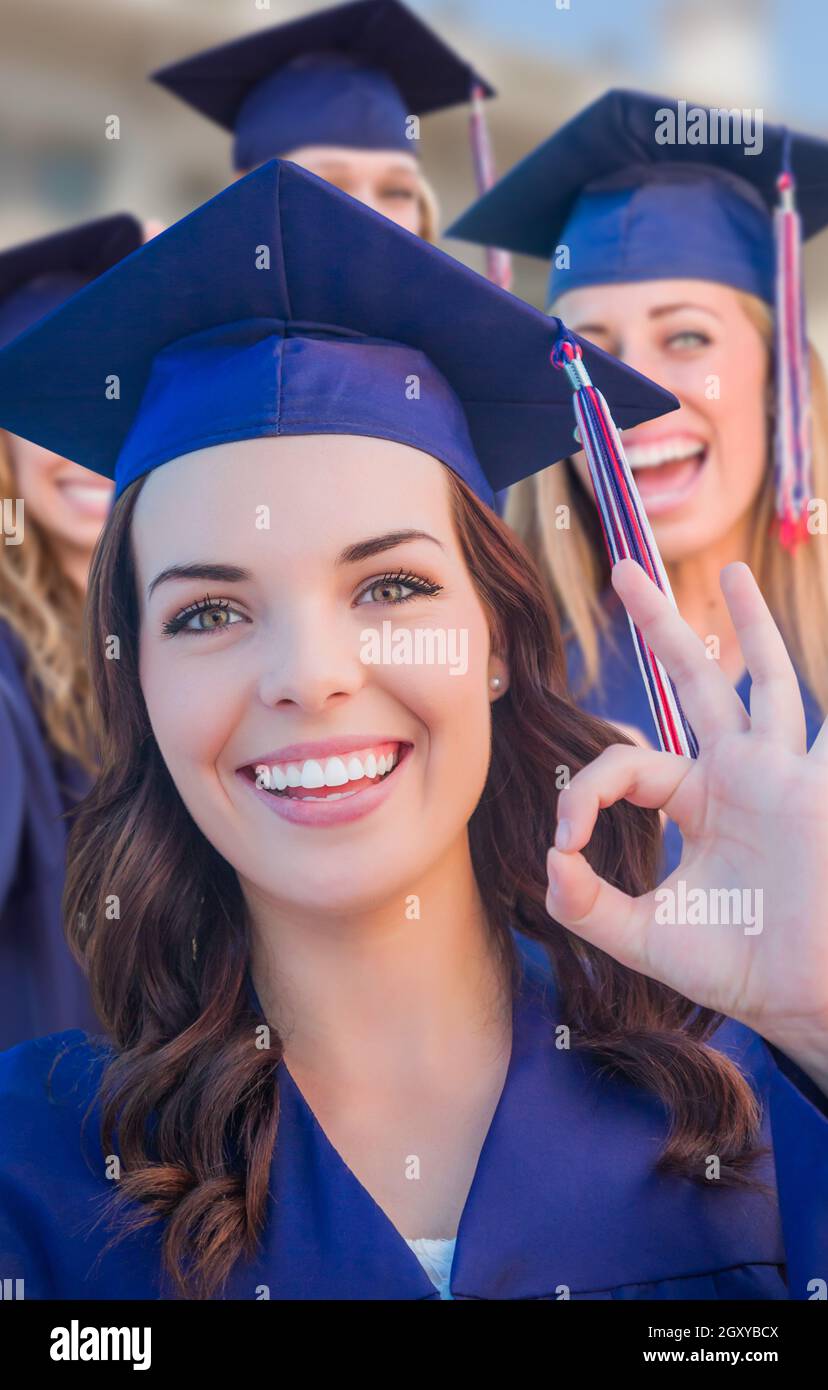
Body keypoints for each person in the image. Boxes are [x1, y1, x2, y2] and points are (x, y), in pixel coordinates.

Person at [0, 161, 824, 1301]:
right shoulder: (34, 1178)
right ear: (138, 682)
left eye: (389, 587)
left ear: (495, 639)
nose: (310, 677)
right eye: (210, 611)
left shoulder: (759, 1114)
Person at [447, 90, 828, 869]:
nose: (636, 395)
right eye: (588, 353)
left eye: (686, 336)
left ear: (777, 379)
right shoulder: (496, 672)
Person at [0, 213, 143, 1050]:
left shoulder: (188, 629)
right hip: (62, 1149)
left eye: (113, 391)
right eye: (48, 401)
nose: (87, 441)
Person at [151, 0, 498, 246]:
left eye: (397, 191)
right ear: (245, 203)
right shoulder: (176, 346)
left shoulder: (467, 349)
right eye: (329, 185)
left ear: (423, 219)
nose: (369, 216)